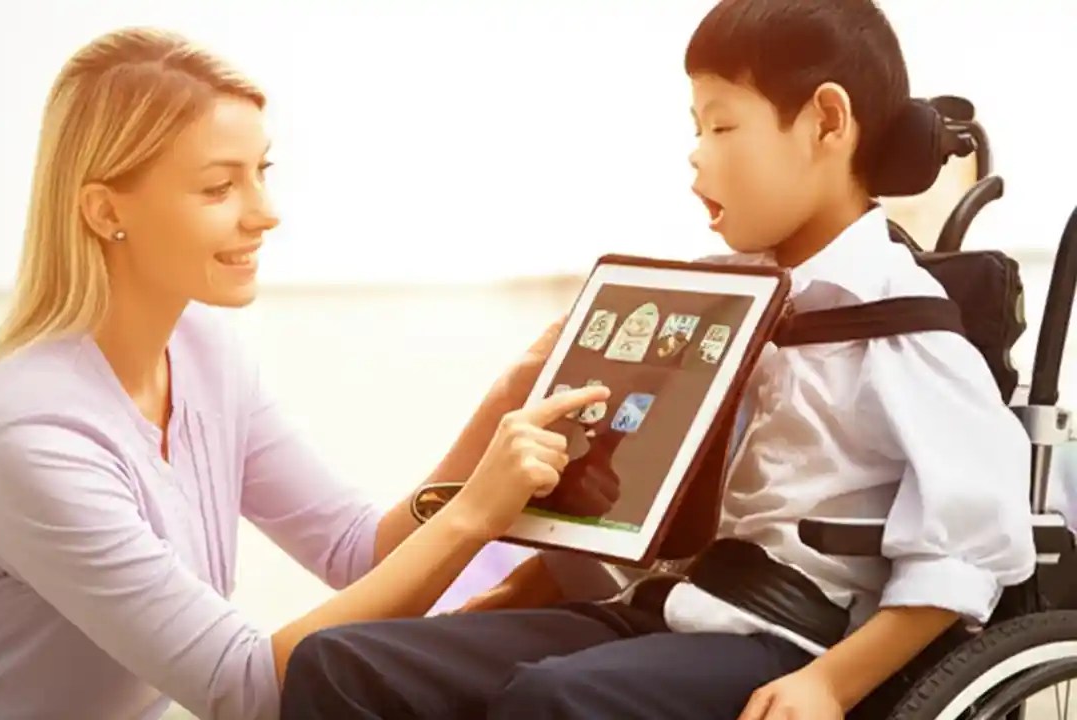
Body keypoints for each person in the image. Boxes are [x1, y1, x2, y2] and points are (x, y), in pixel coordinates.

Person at [278, 1, 1037, 718]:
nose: (696, 157)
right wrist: (525, 580)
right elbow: (632, 510)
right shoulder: (707, 304)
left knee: (554, 701)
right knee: (338, 665)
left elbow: (971, 548)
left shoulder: (908, 329)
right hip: (657, 609)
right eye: (695, 127)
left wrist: (831, 684)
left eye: (722, 125)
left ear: (825, 121)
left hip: (783, 638)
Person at [0, 27, 609, 720]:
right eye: (219, 187)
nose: (265, 212)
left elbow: (357, 552)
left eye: (261, 173)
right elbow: (246, 688)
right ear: (103, 209)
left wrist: (500, 406)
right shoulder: (32, 438)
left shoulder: (204, 351)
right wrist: (476, 512)